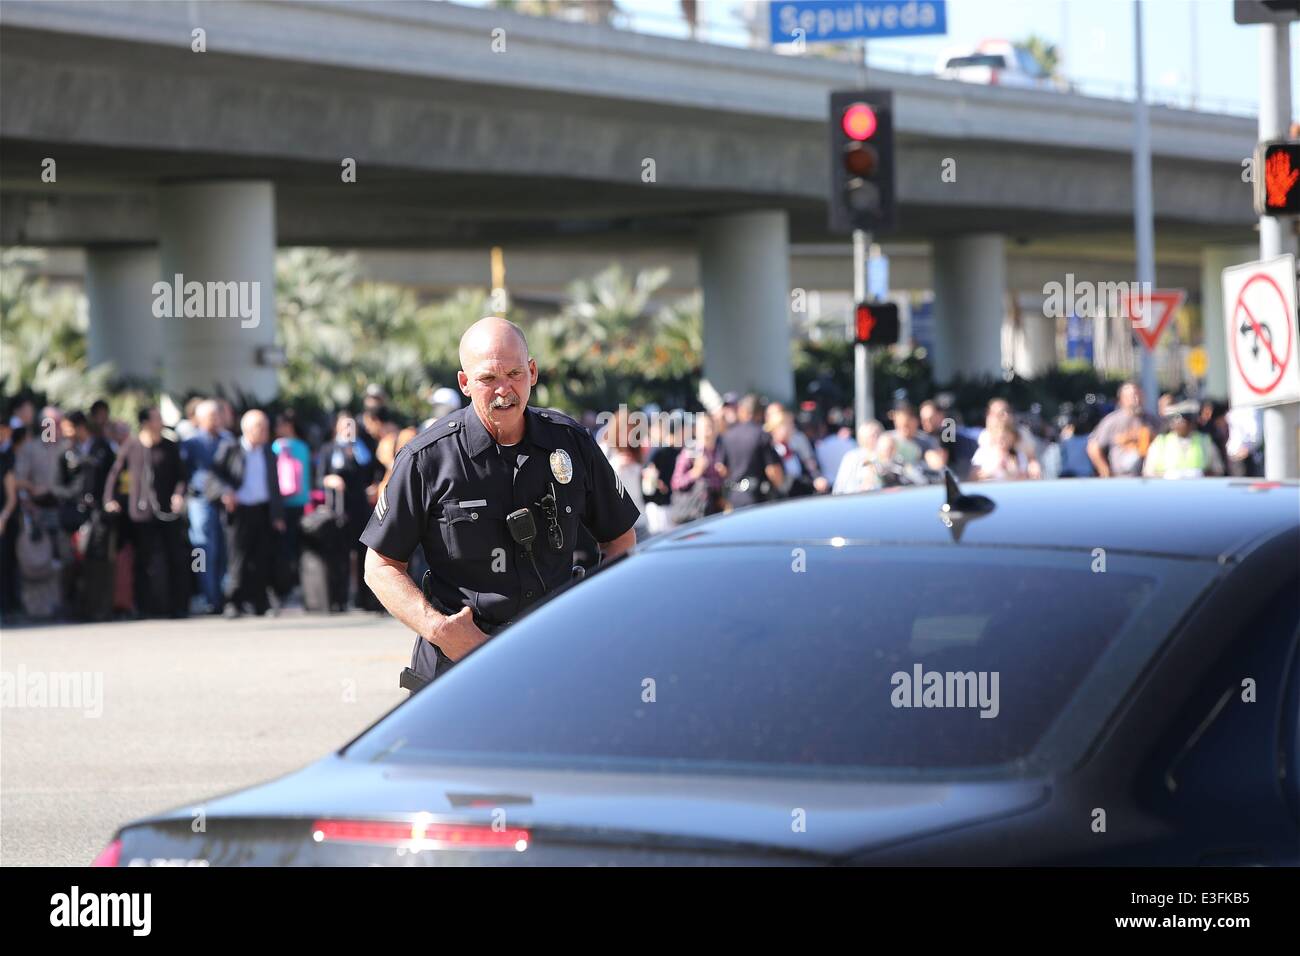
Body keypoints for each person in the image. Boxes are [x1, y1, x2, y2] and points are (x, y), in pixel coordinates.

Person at [361, 316, 640, 688]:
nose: (504, 390)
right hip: (457, 665)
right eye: (488, 378)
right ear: (464, 383)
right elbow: (379, 565)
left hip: (556, 657)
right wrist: (441, 629)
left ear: (533, 372)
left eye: (514, 374)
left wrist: (592, 615)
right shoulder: (427, 458)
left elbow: (620, 538)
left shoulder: (571, 443)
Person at [102, 407, 190, 618]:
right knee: (143, 560)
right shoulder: (131, 446)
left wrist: (178, 495)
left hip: (167, 511)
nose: (160, 422)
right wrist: (109, 499)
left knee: (174, 557)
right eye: (156, 418)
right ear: (145, 423)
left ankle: (177, 605)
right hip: (141, 512)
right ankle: (143, 607)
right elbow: (115, 474)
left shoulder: (169, 446)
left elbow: (181, 476)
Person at [209, 410, 285, 618]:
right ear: (249, 429)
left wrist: (278, 515)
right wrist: (226, 493)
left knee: (261, 558)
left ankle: (260, 603)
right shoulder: (231, 448)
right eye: (262, 428)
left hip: (262, 509)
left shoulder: (269, 452)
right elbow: (214, 478)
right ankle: (233, 602)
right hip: (239, 511)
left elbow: (274, 485)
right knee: (237, 559)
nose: (266, 432)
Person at [317, 412, 382, 611]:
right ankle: (338, 599)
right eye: (345, 426)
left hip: (360, 507)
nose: (348, 430)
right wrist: (330, 480)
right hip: (338, 509)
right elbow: (319, 477)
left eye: (351, 426)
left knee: (363, 554)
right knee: (339, 555)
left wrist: (374, 485)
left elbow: (375, 471)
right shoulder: (329, 449)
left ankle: (365, 599)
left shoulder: (363, 448)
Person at [181, 400, 231, 614]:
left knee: (223, 550)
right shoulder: (191, 443)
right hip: (199, 500)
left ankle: (221, 596)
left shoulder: (228, 441)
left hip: (223, 500)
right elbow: (183, 473)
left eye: (217, 415)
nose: (215, 419)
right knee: (200, 550)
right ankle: (204, 593)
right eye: (210, 416)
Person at [715, 394, 784, 509]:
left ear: (743, 410)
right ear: (759, 413)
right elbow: (772, 470)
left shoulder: (728, 436)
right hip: (759, 497)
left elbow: (722, 468)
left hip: (735, 497)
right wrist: (780, 490)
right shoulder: (762, 435)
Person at [272, 410, 312, 601]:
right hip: (302, 502)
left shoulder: (278, 446)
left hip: (283, 503)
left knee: (284, 547)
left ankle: (285, 587)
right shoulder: (304, 447)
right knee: (298, 547)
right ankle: (297, 585)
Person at [1087, 382, 1161, 478]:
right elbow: (1093, 447)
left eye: (1139, 395)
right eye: (1132, 396)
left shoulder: (1152, 421)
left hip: (1146, 477)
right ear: (1122, 399)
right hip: (1121, 478)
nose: (1136, 399)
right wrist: (1105, 470)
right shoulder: (1112, 421)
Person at [1143, 401, 1224, 479]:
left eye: (1184, 421)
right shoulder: (1161, 442)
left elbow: (1218, 470)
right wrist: (1166, 476)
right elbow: (1148, 472)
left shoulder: (1204, 441)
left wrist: (1201, 474)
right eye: (1177, 420)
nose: (1180, 424)